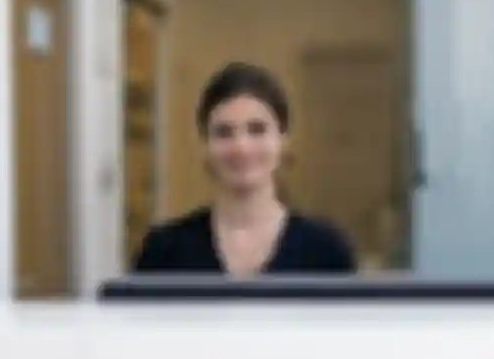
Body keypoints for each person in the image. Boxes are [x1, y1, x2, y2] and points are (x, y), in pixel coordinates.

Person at [134, 62, 356, 276]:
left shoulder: (325, 252)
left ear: (283, 140)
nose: (241, 147)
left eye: (257, 130)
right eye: (224, 132)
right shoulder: (163, 251)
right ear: (205, 146)